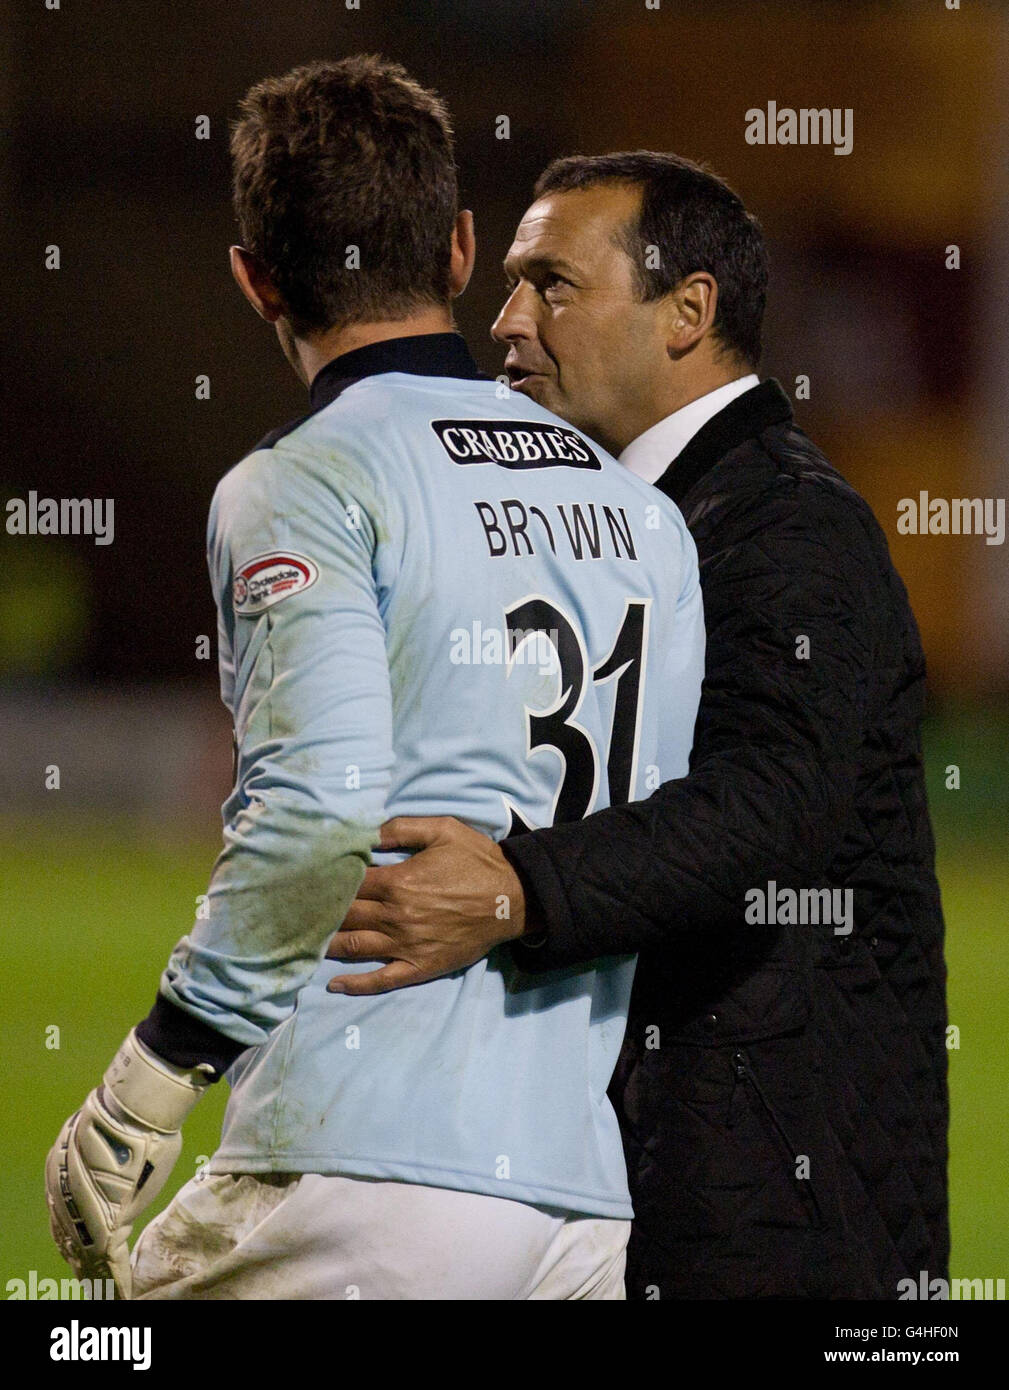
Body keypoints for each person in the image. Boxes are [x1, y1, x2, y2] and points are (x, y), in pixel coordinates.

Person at [44, 68, 705, 1301]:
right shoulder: (642, 513)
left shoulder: (300, 482)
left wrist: (158, 1068)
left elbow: (316, 809)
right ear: (459, 249)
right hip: (576, 1198)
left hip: (356, 1171)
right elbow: (657, 845)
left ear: (253, 278)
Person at [327, 152, 949, 1299]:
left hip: (772, 1198)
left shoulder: (789, 527)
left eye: (552, 284)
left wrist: (517, 889)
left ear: (688, 313)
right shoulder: (621, 523)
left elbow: (774, 806)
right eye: (507, 283)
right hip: (654, 1167)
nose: (508, 322)